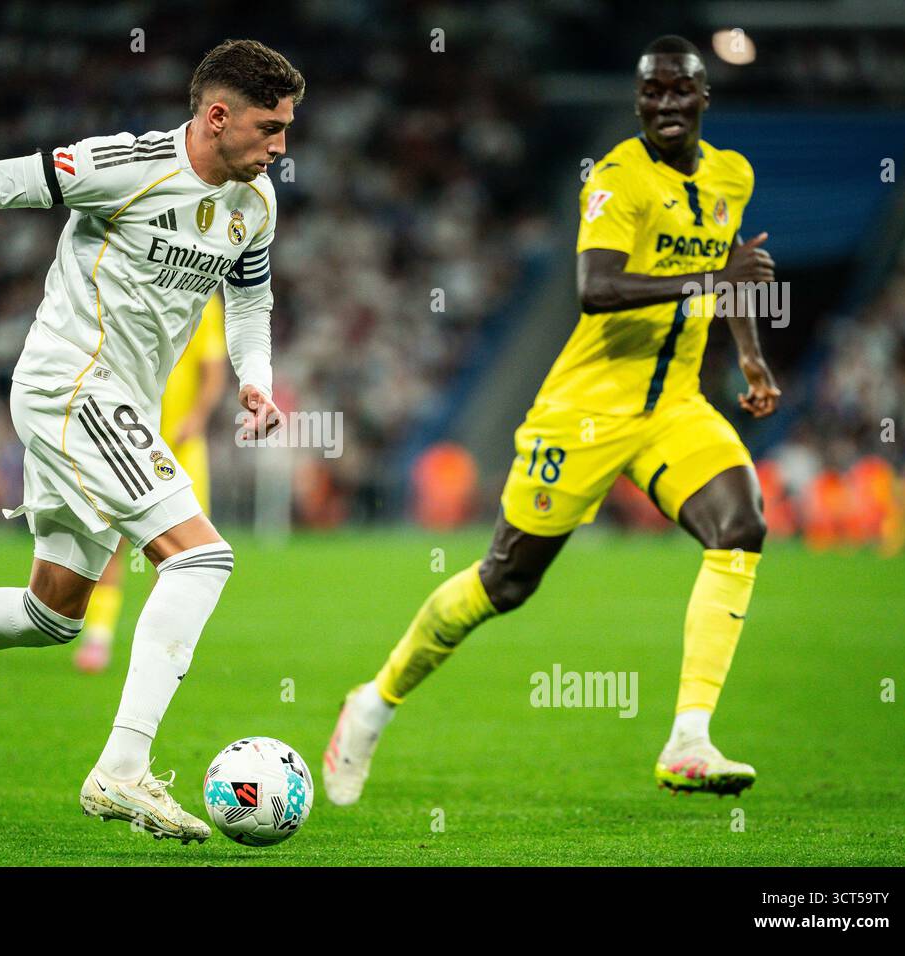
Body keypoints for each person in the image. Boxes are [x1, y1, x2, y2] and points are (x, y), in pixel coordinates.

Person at [0, 39, 304, 844]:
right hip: (71, 385)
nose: (282, 147)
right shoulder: (126, 164)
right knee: (202, 556)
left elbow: (250, 301)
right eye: (269, 128)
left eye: (287, 129)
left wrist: (255, 378)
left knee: (52, 614)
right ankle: (121, 770)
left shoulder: (255, 206)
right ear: (217, 116)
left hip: (122, 407)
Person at [324, 35, 779, 804]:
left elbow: (731, 264)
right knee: (505, 582)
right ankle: (373, 701)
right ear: (638, 101)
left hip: (673, 407)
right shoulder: (615, 179)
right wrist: (713, 275)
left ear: (705, 98)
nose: (665, 105)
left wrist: (753, 360)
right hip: (585, 411)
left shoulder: (733, 173)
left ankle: (689, 737)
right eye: (651, 93)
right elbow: (597, 288)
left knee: (741, 526)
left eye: (680, 91)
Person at [75, 295, 227, 673]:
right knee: (110, 541)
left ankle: (160, 646)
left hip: (179, 450)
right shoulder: (133, 290)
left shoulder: (205, 304)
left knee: (181, 556)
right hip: (127, 440)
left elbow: (213, 375)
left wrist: (196, 419)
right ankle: (99, 636)